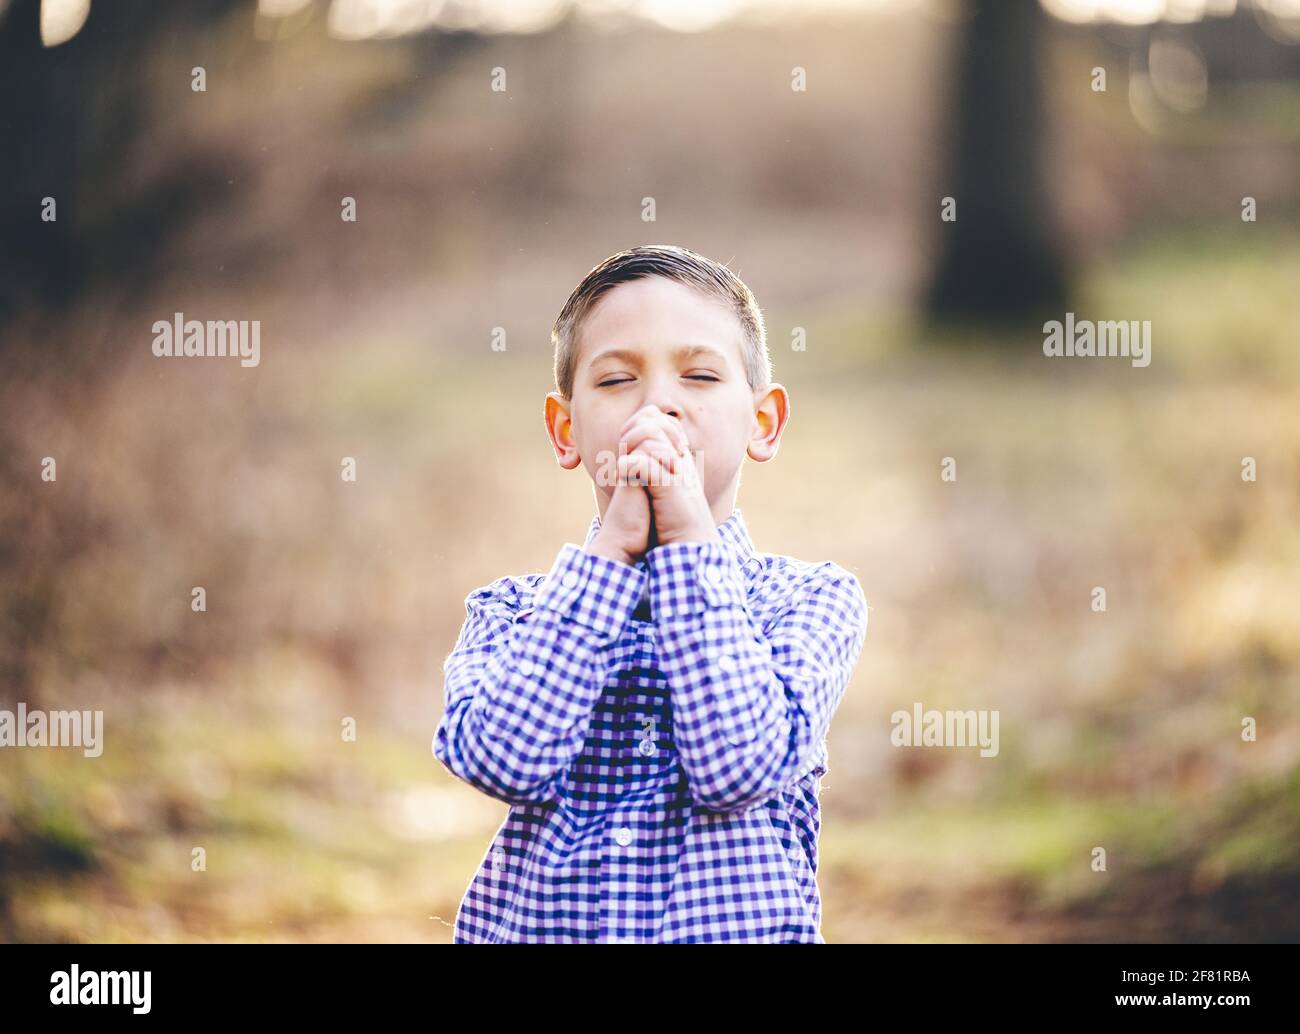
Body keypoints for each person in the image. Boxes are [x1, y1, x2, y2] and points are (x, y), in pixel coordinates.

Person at [434, 243, 868, 942]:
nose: (659, 404)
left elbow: (738, 765)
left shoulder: (808, 601)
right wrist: (611, 553)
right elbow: (503, 760)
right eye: (615, 382)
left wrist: (689, 541)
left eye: (698, 375)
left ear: (764, 422)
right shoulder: (511, 612)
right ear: (565, 429)